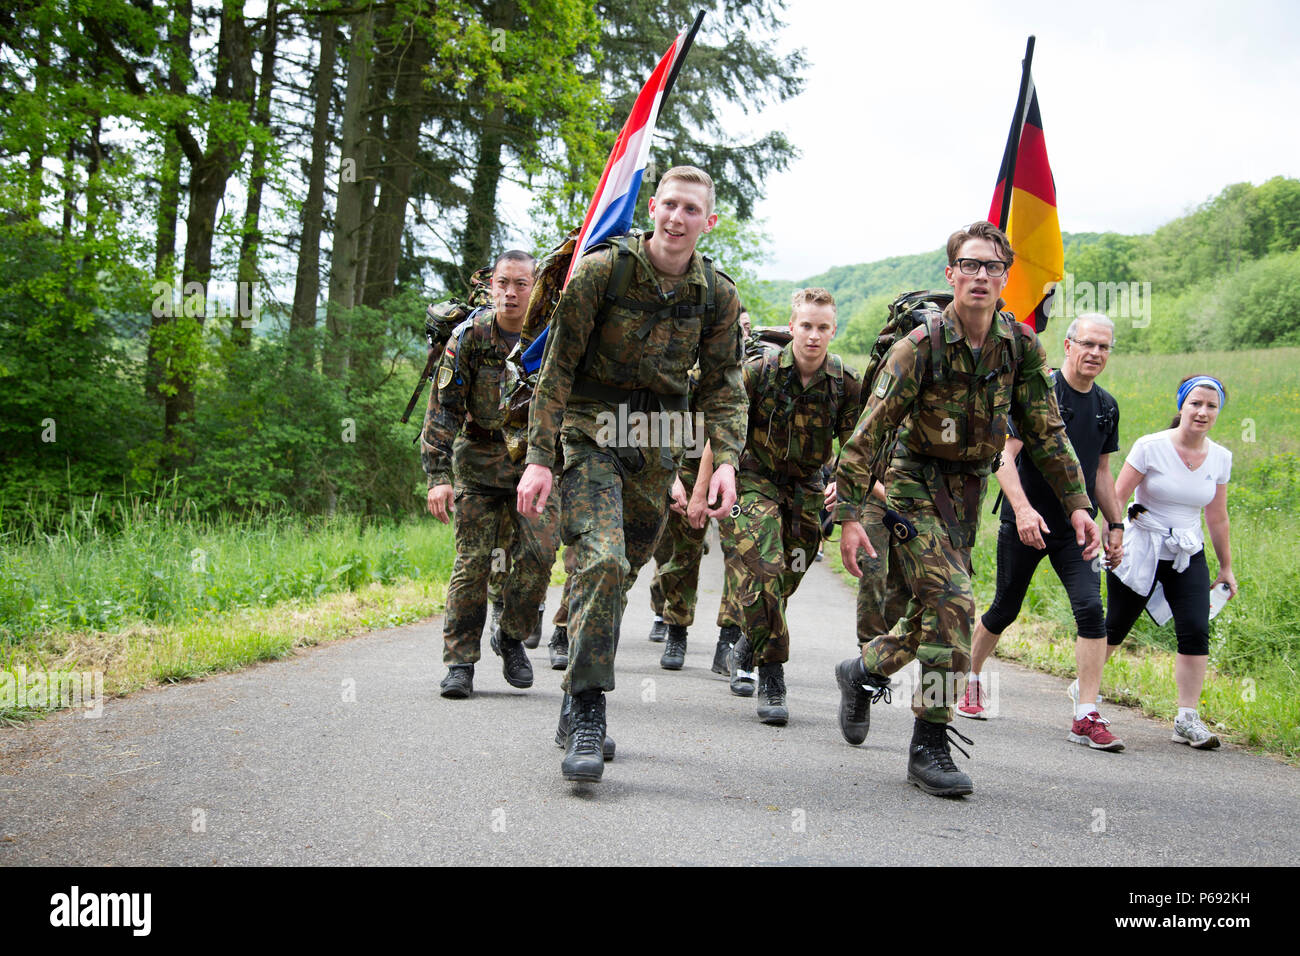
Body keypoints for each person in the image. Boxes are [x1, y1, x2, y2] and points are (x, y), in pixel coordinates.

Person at [834, 220, 1101, 797]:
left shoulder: (1019, 345)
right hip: (911, 484)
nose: (981, 276)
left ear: (1006, 277)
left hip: (967, 494)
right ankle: (929, 743)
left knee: (936, 619)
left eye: (993, 267)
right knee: (956, 603)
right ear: (950, 273)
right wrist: (850, 516)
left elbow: (1047, 430)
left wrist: (1079, 504)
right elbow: (869, 431)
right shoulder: (921, 345)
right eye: (971, 265)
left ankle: (861, 671)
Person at [516, 165, 747, 784]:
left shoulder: (716, 295)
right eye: (669, 205)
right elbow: (556, 369)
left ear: (709, 220)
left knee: (619, 577)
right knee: (602, 559)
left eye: (691, 210)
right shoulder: (602, 271)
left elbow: (726, 387)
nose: (677, 219)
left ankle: (573, 693)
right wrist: (540, 458)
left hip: (660, 442)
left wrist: (722, 461)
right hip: (591, 428)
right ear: (652, 207)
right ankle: (591, 710)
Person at [957, 313, 1128, 752]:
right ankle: (969, 677)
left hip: (1078, 526)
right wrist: (1023, 510)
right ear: (1068, 345)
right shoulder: (1039, 392)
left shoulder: (1106, 406)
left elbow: (1102, 473)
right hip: (1026, 522)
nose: (1095, 353)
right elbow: (1003, 458)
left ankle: (1085, 713)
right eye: (1087, 343)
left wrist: (1115, 524)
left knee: (1091, 611)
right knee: (1004, 608)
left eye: (1103, 347)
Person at [705, 287, 863, 724]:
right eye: (806, 326)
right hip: (753, 481)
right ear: (792, 326)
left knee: (785, 577)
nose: (813, 335)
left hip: (807, 490)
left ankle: (746, 645)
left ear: (833, 330)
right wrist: (705, 491)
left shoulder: (845, 384)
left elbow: (856, 450)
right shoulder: (760, 371)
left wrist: (849, 499)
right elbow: (723, 431)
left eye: (823, 327)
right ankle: (772, 674)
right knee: (763, 567)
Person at [424, 250, 561, 698]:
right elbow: (443, 411)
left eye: (522, 283)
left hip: (535, 467)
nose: (511, 292)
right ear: (490, 285)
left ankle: (511, 634)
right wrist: (438, 476)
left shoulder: (551, 335)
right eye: (503, 282)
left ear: (535, 286)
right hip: (479, 464)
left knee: (539, 555)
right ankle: (460, 662)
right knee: (473, 563)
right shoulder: (469, 337)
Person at [1103, 374, 1236, 749]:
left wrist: (1226, 567)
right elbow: (1115, 495)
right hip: (1140, 548)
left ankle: (1187, 718)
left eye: (1211, 405)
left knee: (1195, 628)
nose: (1203, 411)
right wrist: (1109, 540)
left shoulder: (1221, 457)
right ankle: (1087, 697)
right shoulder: (1151, 446)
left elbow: (1217, 516)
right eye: (1196, 403)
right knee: (1115, 627)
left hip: (1186, 553)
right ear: (1181, 405)